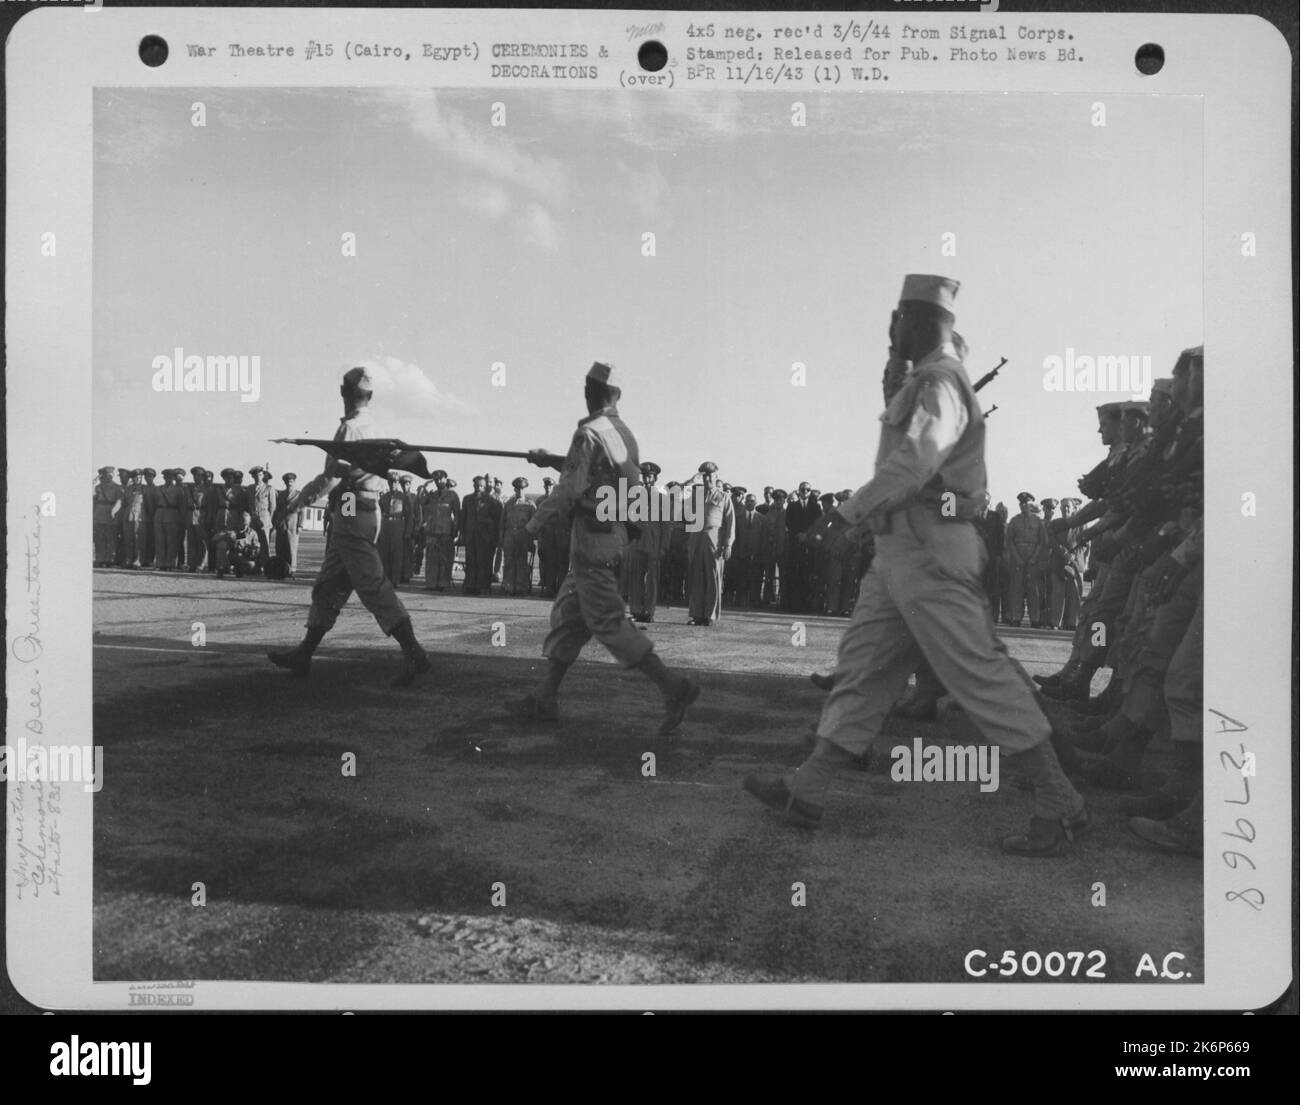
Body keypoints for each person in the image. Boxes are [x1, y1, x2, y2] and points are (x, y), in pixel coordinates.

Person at [742, 274, 1085, 857]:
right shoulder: (922, 379)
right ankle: (809, 788)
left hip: (931, 551)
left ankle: (1061, 802)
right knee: (864, 668)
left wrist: (847, 514)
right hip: (898, 552)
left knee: (979, 678)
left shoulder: (944, 384)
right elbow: (900, 436)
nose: (889, 329)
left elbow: (917, 461)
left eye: (895, 319)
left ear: (918, 321)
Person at [512, 361, 699, 734]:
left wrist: (531, 525)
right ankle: (545, 698)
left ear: (588, 392)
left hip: (591, 539)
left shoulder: (589, 433)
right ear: (617, 396)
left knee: (609, 623)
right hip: (612, 533)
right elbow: (612, 475)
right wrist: (556, 461)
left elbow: (570, 489)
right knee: (570, 617)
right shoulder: (621, 433)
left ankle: (672, 687)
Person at [267, 366, 431, 687]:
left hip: (354, 507)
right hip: (355, 506)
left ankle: (415, 652)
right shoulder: (372, 427)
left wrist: (295, 506)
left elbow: (331, 477)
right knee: (329, 586)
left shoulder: (352, 431)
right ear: (370, 396)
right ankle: (305, 653)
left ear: (343, 393)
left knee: (371, 585)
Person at [685, 462, 735, 626]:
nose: (707, 478)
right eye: (704, 475)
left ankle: (710, 615)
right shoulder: (696, 494)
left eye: (710, 475)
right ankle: (697, 614)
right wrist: (691, 481)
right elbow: (677, 497)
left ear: (716, 477)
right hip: (696, 536)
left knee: (713, 577)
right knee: (697, 576)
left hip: (714, 537)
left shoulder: (723, 497)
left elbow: (730, 523)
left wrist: (728, 544)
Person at [627, 461, 665, 621]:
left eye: (649, 477)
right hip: (637, 541)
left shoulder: (662, 498)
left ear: (655, 479)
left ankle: (649, 612)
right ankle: (636, 610)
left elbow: (667, 525)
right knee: (635, 576)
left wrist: (663, 546)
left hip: (654, 543)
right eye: (644, 476)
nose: (646, 480)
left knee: (652, 579)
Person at [1004, 491, 1045, 626]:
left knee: (1034, 589)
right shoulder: (1014, 521)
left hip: (1034, 557)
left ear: (1031, 504)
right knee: (1017, 588)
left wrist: (1034, 557)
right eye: (1021, 503)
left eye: (1026, 503)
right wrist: (1017, 557)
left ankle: (1035, 619)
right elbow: (1009, 541)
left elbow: (1042, 541)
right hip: (1018, 558)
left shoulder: (1038, 521)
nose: (1023, 506)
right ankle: (1016, 617)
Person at [422, 469, 460, 591]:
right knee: (431, 558)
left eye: (440, 479)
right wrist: (424, 486)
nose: (438, 481)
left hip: (446, 531)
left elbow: (457, 515)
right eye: (436, 479)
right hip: (433, 531)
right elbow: (420, 503)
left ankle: (443, 583)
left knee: (445, 558)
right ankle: (431, 583)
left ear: (445, 479)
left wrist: (455, 530)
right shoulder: (431, 495)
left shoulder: (452, 495)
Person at [500, 476, 537, 595]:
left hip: (523, 536)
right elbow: (502, 522)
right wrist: (501, 538)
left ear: (525, 489)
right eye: (517, 489)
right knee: (509, 561)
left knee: (522, 562)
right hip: (510, 535)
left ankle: (521, 587)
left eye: (522, 489)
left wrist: (531, 540)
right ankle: (508, 586)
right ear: (514, 489)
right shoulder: (508, 504)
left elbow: (534, 524)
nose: (520, 491)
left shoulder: (530, 505)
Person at [275, 472, 303, 578]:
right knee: (281, 547)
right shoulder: (280, 494)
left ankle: (292, 569)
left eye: (291, 481)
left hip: (293, 523)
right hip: (282, 523)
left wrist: (300, 525)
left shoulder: (299, 494)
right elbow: (276, 509)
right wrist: (276, 522)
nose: (289, 483)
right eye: (287, 482)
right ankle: (282, 569)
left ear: (294, 482)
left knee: (292, 548)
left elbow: (301, 511)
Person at [93, 467, 123, 566]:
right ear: (104, 476)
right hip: (99, 514)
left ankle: (110, 559)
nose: (109, 477)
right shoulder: (98, 487)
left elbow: (119, 501)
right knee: (99, 538)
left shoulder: (117, 487)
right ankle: (99, 559)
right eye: (107, 475)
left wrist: (114, 511)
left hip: (110, 513)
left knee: (110, 538)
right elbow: (93, 500)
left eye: (111, 475)